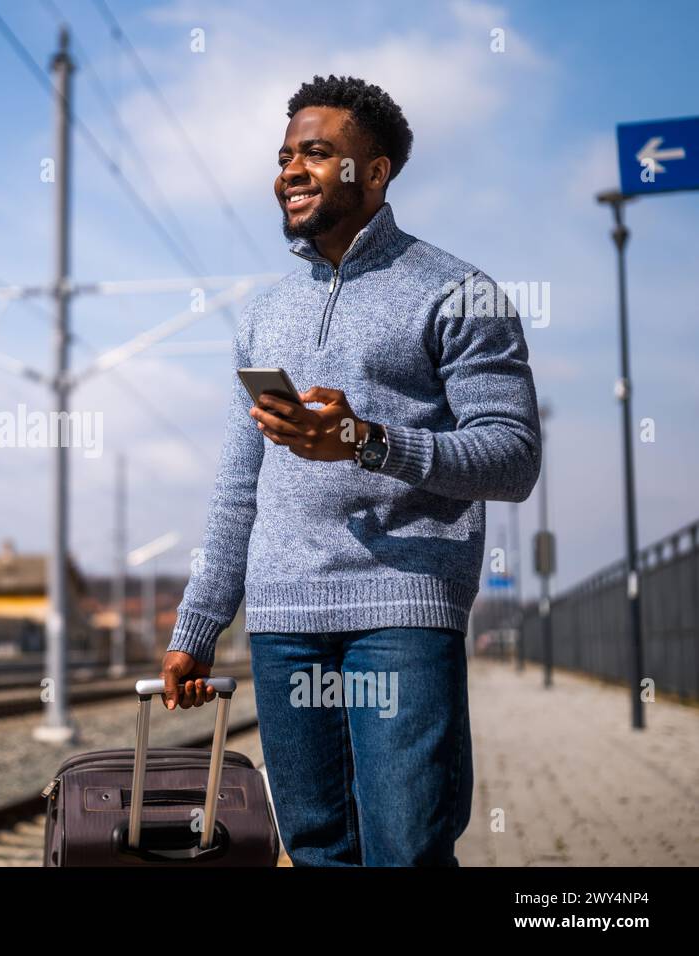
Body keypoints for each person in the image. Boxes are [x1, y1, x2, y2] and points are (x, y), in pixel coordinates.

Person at [162, 75, 541, 866]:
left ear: (374, 173)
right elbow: (240, 488)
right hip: (284, 622)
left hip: (401, 610)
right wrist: (197, 628)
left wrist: (367, 440)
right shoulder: (264, 314)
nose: (291, 170)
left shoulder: (459, 293)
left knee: (405, 848)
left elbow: (511, 458)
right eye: (284, 156)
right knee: (317, 848)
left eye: (317, 152)